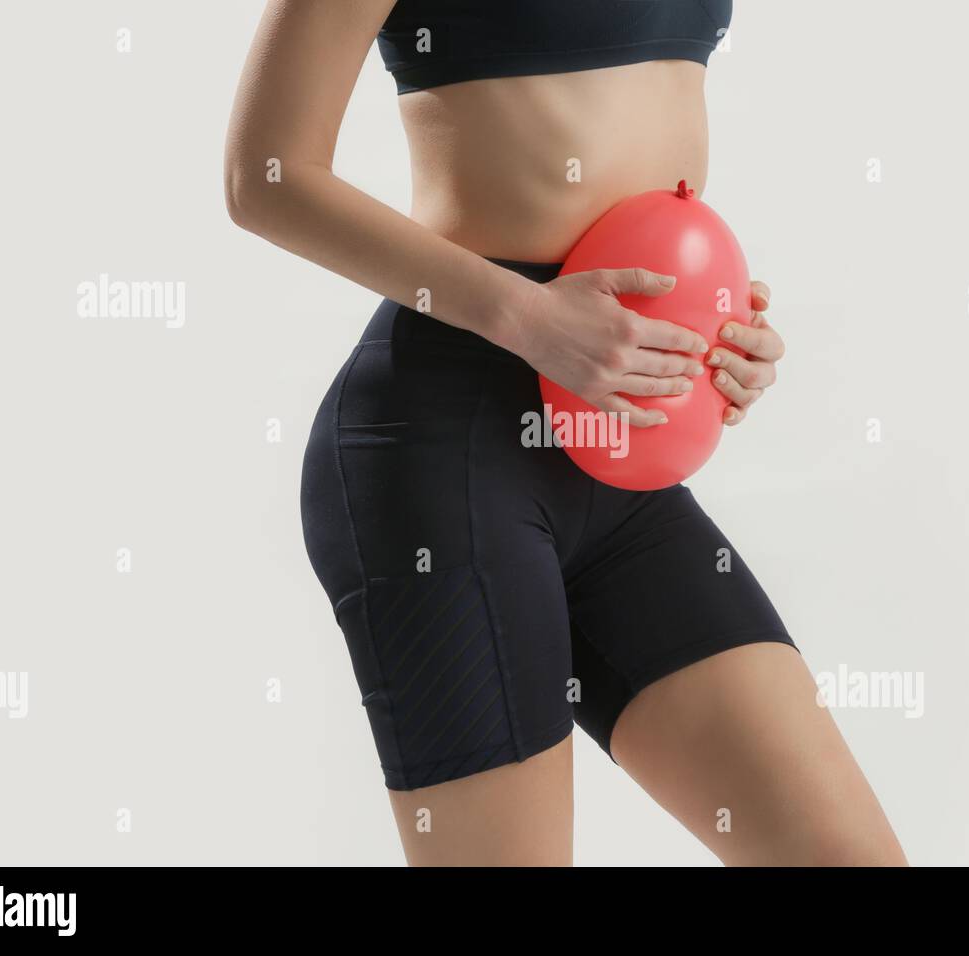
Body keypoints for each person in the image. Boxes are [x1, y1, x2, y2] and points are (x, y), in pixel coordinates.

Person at [225, 0, 906, 866]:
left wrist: (710, 337)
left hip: (624, 471)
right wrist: (527, 318)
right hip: (447, 456)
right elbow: (264, 176)